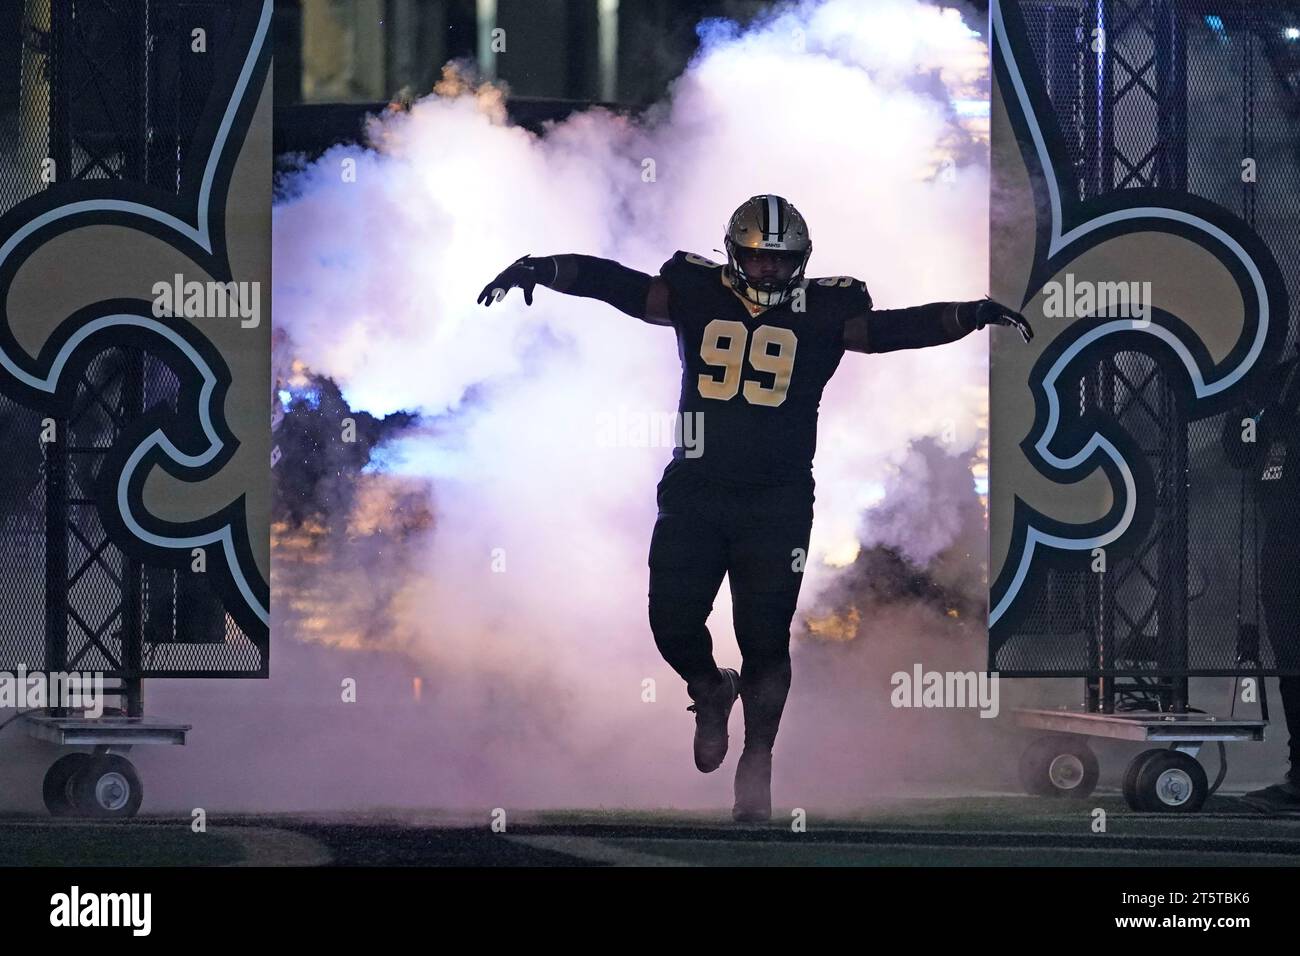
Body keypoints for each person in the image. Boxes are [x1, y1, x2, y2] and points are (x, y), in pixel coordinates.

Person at [477, 195, 1032, 822]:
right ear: (733, 253)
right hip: (696, 490)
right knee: (670, 622)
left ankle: (758, 758)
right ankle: (710, 688)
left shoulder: (828, 308)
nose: (769, 269)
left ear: (802, 260)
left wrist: (969, 314)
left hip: (778, 501)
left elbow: (891, 331)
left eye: (781, 259)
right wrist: (543, 268)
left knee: (764, 637)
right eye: (758, 257)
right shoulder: (693, 289)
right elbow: (619, 286)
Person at [1224, 351, 1300, 813]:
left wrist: (1277, 420)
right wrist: (1247, 413)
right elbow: (1237, 451)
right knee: (1290, 655)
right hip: (1283, 537)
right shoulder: (1278, 376)